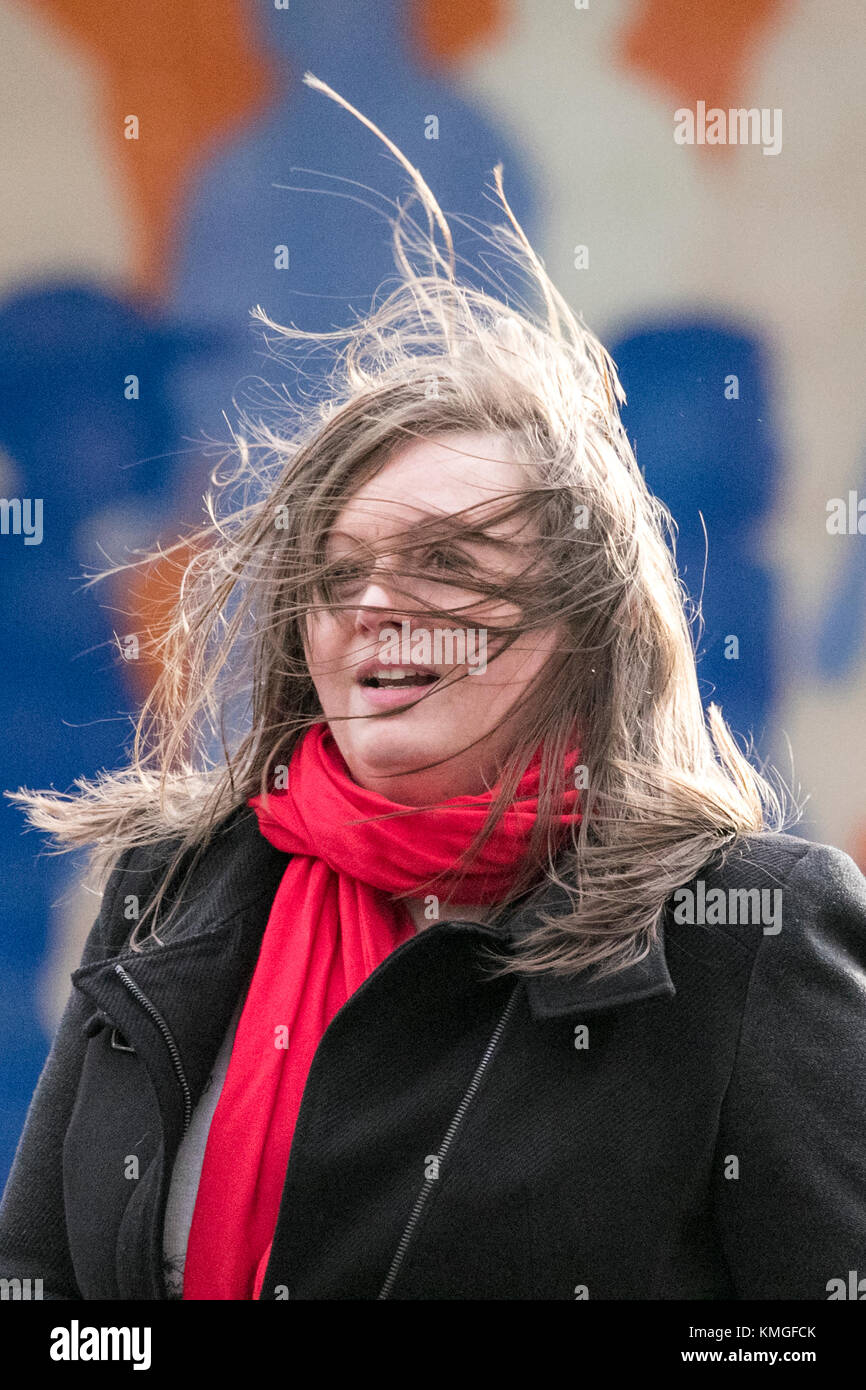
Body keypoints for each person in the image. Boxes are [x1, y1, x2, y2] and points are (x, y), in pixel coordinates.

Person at [1, 76, 865, 1302]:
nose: (371, 606)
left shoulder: (747, 927)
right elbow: (40, 1287)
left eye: (448, 563)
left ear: (583, 622)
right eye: (338, 571)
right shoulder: (172, 890)